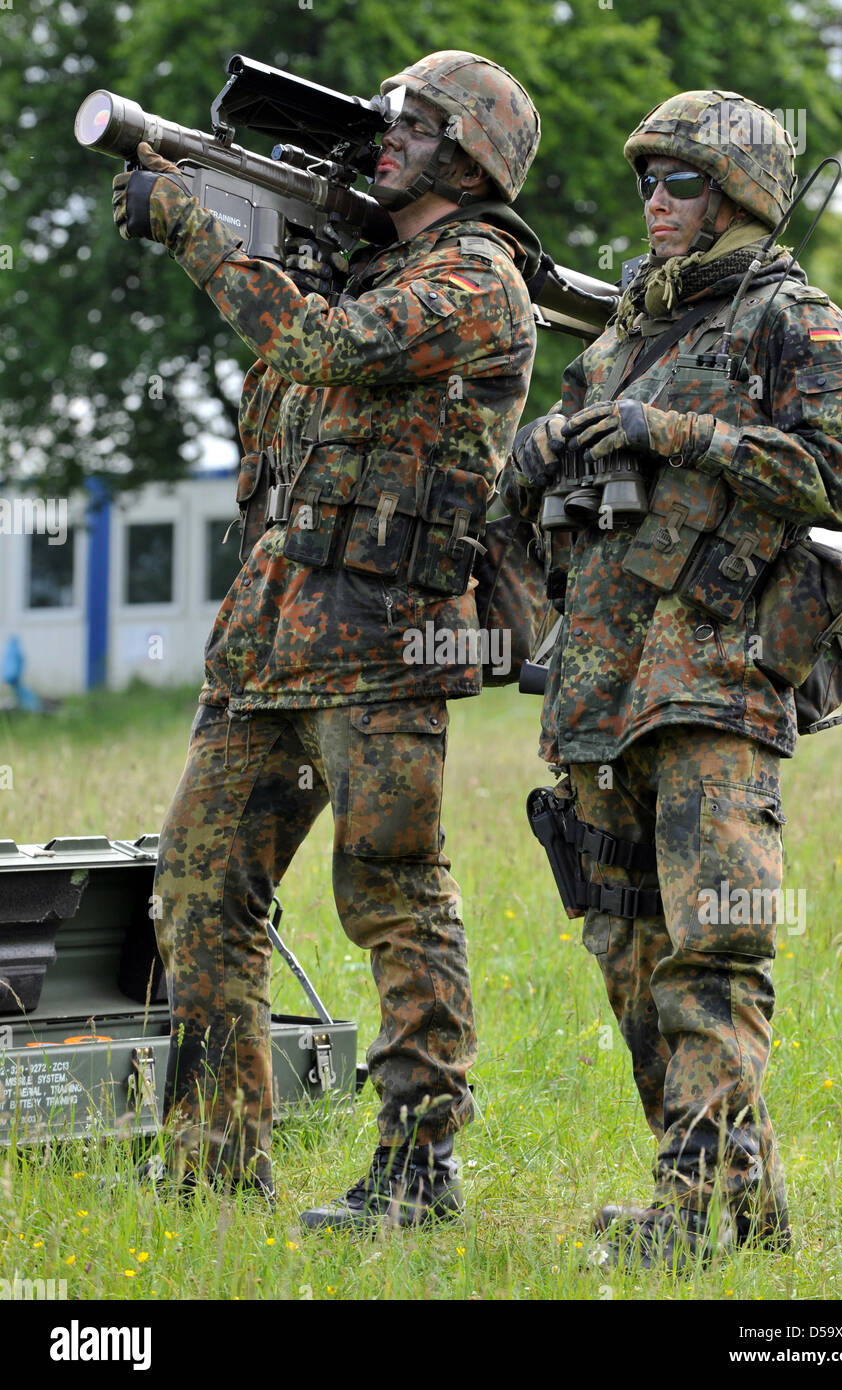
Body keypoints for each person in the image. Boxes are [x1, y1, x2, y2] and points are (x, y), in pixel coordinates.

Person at [110, 50, 541, 1225]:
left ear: (470, 160)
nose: (385, 135)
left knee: (392, 895)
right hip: (271, 644)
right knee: (197, 888)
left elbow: (323, 349)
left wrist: (197, 233)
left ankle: (417, 1168)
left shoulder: (477, 280)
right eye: (389, 118)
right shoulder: (362, 271)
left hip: (388, 647)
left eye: (417, 124)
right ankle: (214, 1160)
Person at [502, 90, 842, 1268]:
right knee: (626, 956)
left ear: (737, 196)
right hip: (598, 694)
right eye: (645, 182)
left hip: (716, 681)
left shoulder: (790, 319)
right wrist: (538, 450)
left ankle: (687, 1218)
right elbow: (530, 476)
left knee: (711, 951)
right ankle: (741, 1210)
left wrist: (674, 433)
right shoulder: (622, 331)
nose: (653, 203)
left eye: (678, 182)